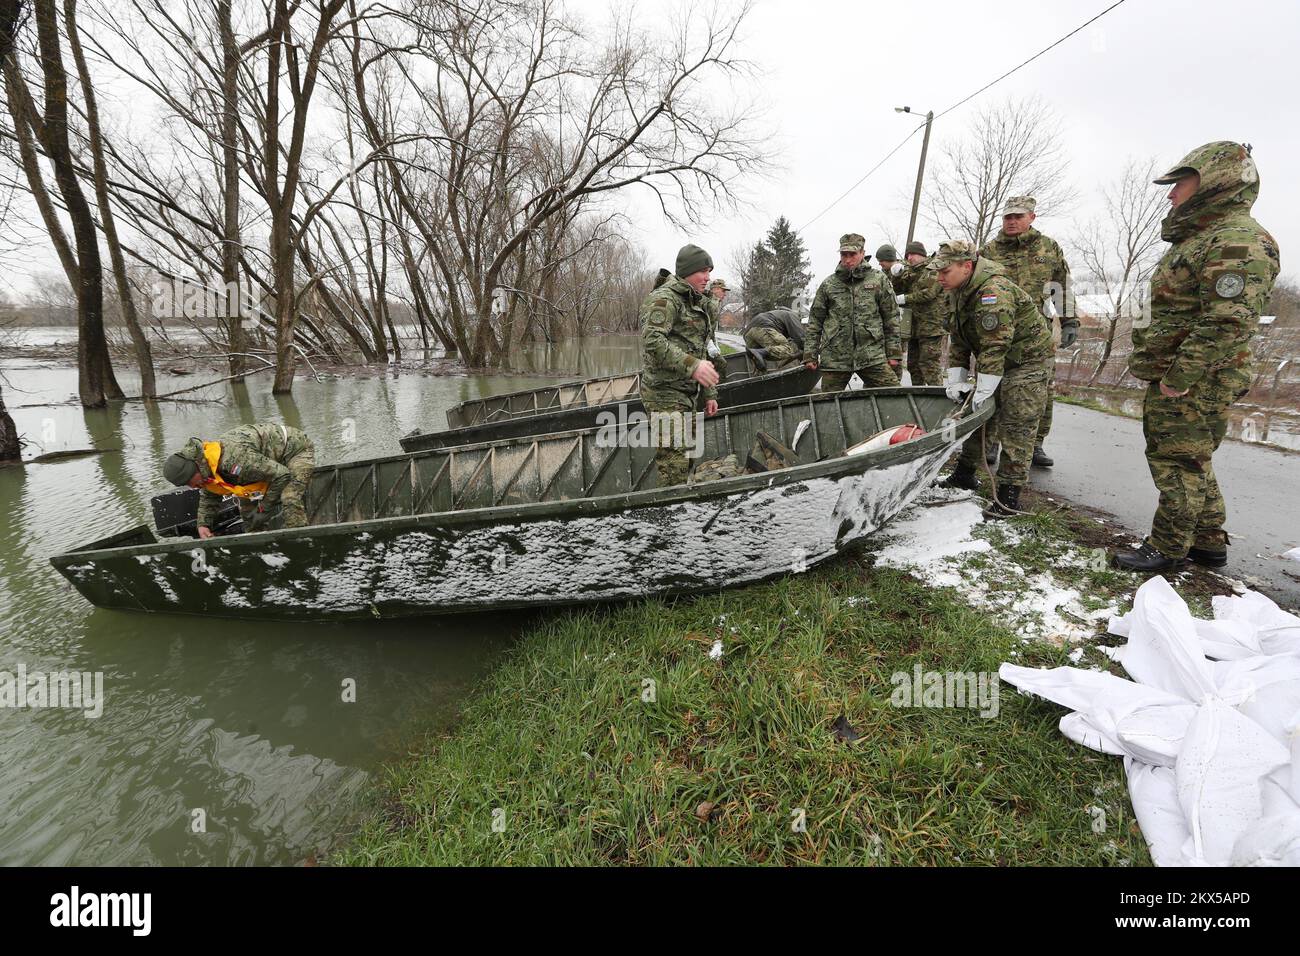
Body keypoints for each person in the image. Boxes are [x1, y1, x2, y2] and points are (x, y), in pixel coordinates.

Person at [1113, 142, 1280, 573]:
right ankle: (1207, 540)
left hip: (1194, 376)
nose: (1170, 195)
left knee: (1176, 461)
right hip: (1185, 371)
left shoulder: (1237, 241)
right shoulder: (1205, 237)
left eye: (1179, 185)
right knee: (1194, 458)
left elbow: (1228, 320)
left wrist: (1180, 374)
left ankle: (1167, 547)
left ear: (1215, 183)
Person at [933, 240, 1053, 519]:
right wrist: (957, 379)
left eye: (945, 271)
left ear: (966, 266)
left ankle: (1009, 498)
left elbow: (995, 346)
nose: (939, 277)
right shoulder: (957, 290)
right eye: (937, 271)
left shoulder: (992, 291)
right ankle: (964, 474)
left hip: (1026, 362)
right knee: (978, 415)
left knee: (1017, 425)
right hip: (998, 359)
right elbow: (959, 339)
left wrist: (985, 388)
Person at [979, 196, 1077, 467]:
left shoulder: (1048, 248)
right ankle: (990, 442)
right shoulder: (990, 251)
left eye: (1018, 216)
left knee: (1040, 390)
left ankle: (1034, 445)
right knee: (992, 386)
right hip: (997, 332)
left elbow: (1061, 287)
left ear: (1031, 217)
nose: (1011, 221)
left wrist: (1070, 321)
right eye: (1007, 216)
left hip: (1037, 334)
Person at [640, 243, 721, 486]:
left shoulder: (695, 302)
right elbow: (652, 340)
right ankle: (670, 521)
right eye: (703, 272)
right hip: (663, 392)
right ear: (687, 272)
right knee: (674, 469)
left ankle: (681, 517)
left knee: (686, 460)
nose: (708, 278)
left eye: (709, 272)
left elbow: (702, 347)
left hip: (686, 394)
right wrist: (693, 366)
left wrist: (710, 392)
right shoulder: (665, 300)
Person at [162, 422, 315, 536]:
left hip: (295, 450)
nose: (193, 487)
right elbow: (210, 495)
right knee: (248, 512)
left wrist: (264, 507)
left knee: (290, 496)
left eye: (190, 482)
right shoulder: (205, 470)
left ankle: (301, 541)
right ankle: (260, 549)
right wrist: (203, 525)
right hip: (265, 464)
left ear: (195, 468)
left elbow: (282, 475)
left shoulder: (234, 460)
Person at [803, 233, 901, 390]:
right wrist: (810, 354)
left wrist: (894, 352)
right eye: (844, 254)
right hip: (836, 358)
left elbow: (891, 317)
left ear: (862, 253)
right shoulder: (829, 284)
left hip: (872, 355)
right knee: (827, 405)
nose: (847, 259)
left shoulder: (878, 280)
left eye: (852, 254)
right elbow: (815, 321)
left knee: (895, 395)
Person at [892, 241, 948, 385]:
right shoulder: (910, 271)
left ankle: (937, 395)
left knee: (929, 364)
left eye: (913, 254)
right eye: (908, 255)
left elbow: (929, 293)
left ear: (922, 254)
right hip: (913, 326)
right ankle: (918, 395)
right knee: (913, 365)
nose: (910, 258)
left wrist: (906, 298)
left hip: (931, 326)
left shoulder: (934, 269)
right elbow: (898, 290)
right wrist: (896, 276)